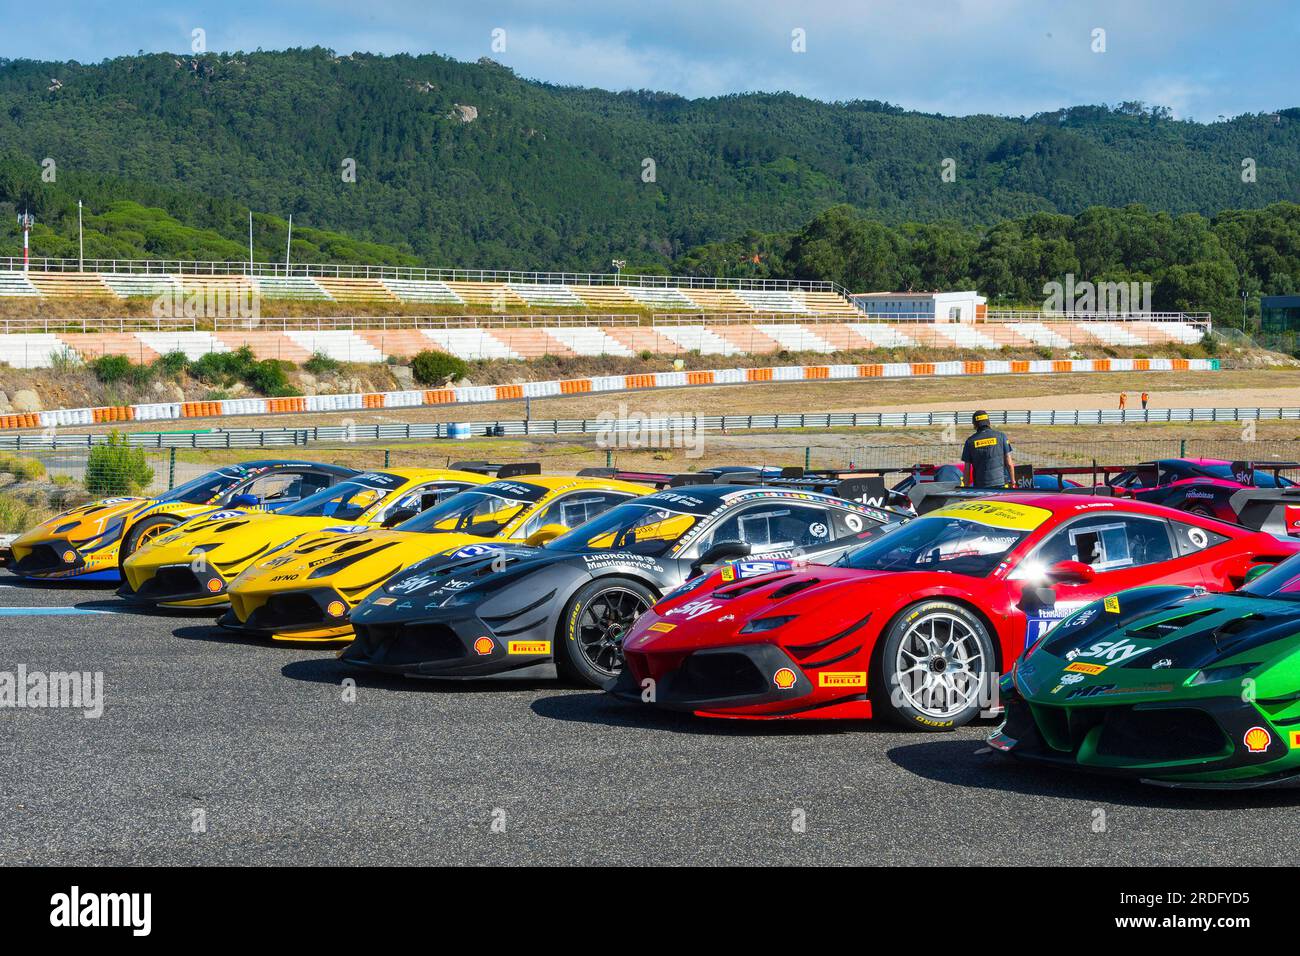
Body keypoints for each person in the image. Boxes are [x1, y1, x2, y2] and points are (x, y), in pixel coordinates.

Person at [961, 410, 1015, 488]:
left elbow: (967, 469)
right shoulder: (1001, 436)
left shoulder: (970, 441)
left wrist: (966, 487)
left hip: (981, 486)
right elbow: (1009, 463)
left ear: (975, 425)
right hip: (1000, 483)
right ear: (989, 423)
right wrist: (1013, 481)